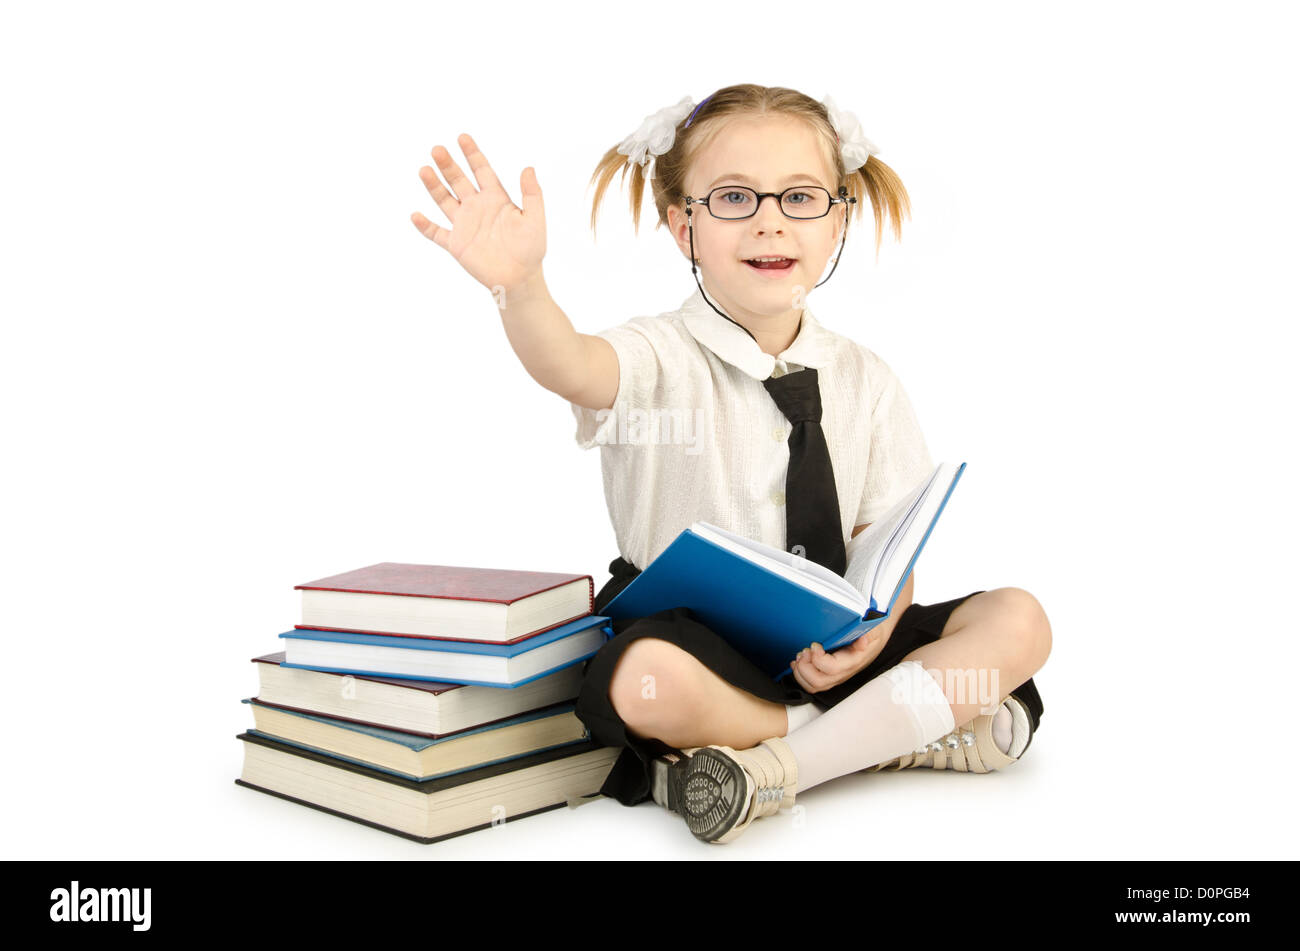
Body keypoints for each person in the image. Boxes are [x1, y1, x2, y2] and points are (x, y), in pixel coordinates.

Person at [411, 83, 1052, 846]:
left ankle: (781, 765)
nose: (770, 219)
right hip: (706, 650)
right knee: (639, 678)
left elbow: (890, 541)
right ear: (684, 225)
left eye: (799, 197)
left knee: (1019, 619)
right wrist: (519, 287)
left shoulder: (867, 377)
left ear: (838, 218)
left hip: (839, 645)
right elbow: (571, 364)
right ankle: (882, 735)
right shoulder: (656, 356)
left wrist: (875, 639)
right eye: (735, 198)